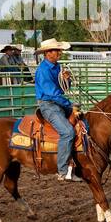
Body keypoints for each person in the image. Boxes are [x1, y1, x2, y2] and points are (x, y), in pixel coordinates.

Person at [34, 39, 83, 182]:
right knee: (67, 132)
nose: (59, 53)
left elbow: (63, 88)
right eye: (57, 50)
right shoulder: (43, 70)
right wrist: (70, 104)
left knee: (83, 120)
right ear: (48, 53)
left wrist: (67, 80)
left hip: (57, 103)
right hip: (48, 105)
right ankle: (62, 170)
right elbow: (52, 93)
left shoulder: (57, 67)